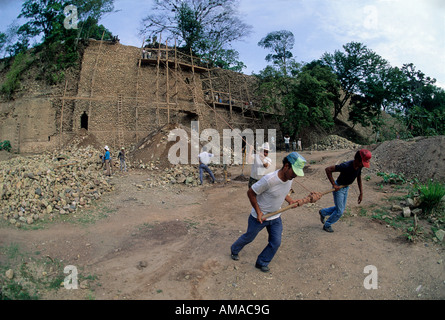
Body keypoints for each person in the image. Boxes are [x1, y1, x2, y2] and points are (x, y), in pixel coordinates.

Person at [230, 152, 322, 272]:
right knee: (249, 237)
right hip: (260, 217)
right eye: (294, 172)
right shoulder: (269, 180)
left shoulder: (289, 178)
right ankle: (234, 249)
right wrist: (258, 212)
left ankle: (262, 261)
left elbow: (283, 192)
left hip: (275, 216)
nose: (295, 176)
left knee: (276, 242)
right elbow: (251, 193)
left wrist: (291, 201)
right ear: (286, 166)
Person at [319, 149, 372, 233]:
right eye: (363, 163)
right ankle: (327, 225)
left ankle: (323, 212)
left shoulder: (359, 167)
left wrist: (361, 193)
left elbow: (359, 178)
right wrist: (334, 184)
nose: (363, 165)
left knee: (340, 209)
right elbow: (328, 169)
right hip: (339, 189)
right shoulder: (346, 166)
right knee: (339, 211)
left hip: (345, 188)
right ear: (357, 160)